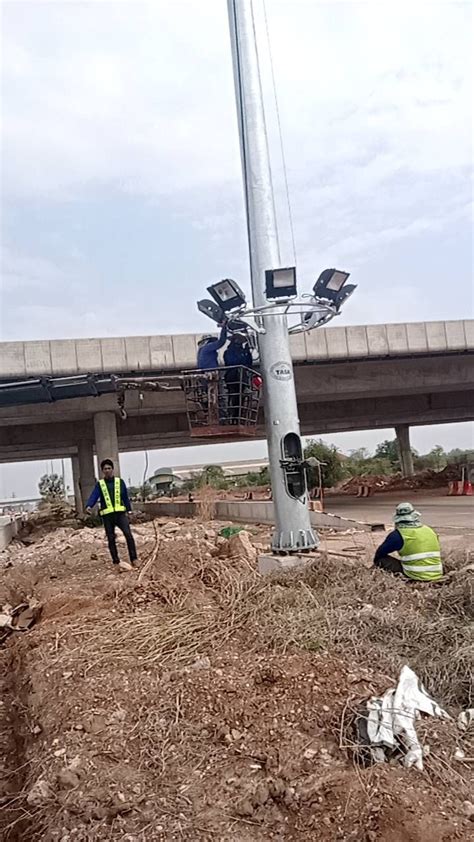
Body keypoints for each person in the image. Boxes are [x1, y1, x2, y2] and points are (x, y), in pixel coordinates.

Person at [85, 459, 138, 572]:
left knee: (128, 535)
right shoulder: (100, 484)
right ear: (102, 471)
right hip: (108, 516)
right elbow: (94, 495)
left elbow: (125, 497)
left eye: (109, 468)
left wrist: (129, 511)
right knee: (111, 538)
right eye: (105, 469)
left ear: (112, 469)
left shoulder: (120, 482)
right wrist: (89, 505)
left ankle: (134, 559)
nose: (107, 470)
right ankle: (115, 561)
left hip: (120, 515)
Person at [373, 501, 443, 582]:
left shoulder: (398, 535)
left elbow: (380, 553)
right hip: (437, 573)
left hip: (414, 575)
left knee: (380, 560)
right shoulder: (429, 530)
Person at [223, 333, 253, 423]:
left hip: (241, 378)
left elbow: (248, 363)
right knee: (234, 398)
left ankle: (238, 418)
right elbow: (233, 362)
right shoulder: (229, 352)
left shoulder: (243, 351)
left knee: (240, 399)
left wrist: (247, 351)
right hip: (233, 377)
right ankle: (232, 418)